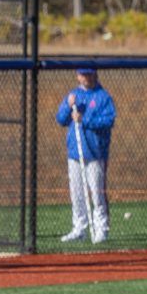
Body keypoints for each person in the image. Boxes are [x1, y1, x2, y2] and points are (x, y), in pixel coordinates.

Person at [56, 68, 115, 244]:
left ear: (94, 75)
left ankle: (101, 229)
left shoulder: (103, 97)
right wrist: (68, 106)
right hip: (75, 153)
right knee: (77, 193)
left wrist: (85, 120)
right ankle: (79, 228)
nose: (85, 78)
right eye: (82, 74)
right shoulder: (73, 95)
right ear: (77, 76)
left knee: (97, 193)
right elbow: (60, 119)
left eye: (88, 74)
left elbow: (108, 121)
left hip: (95, 153)